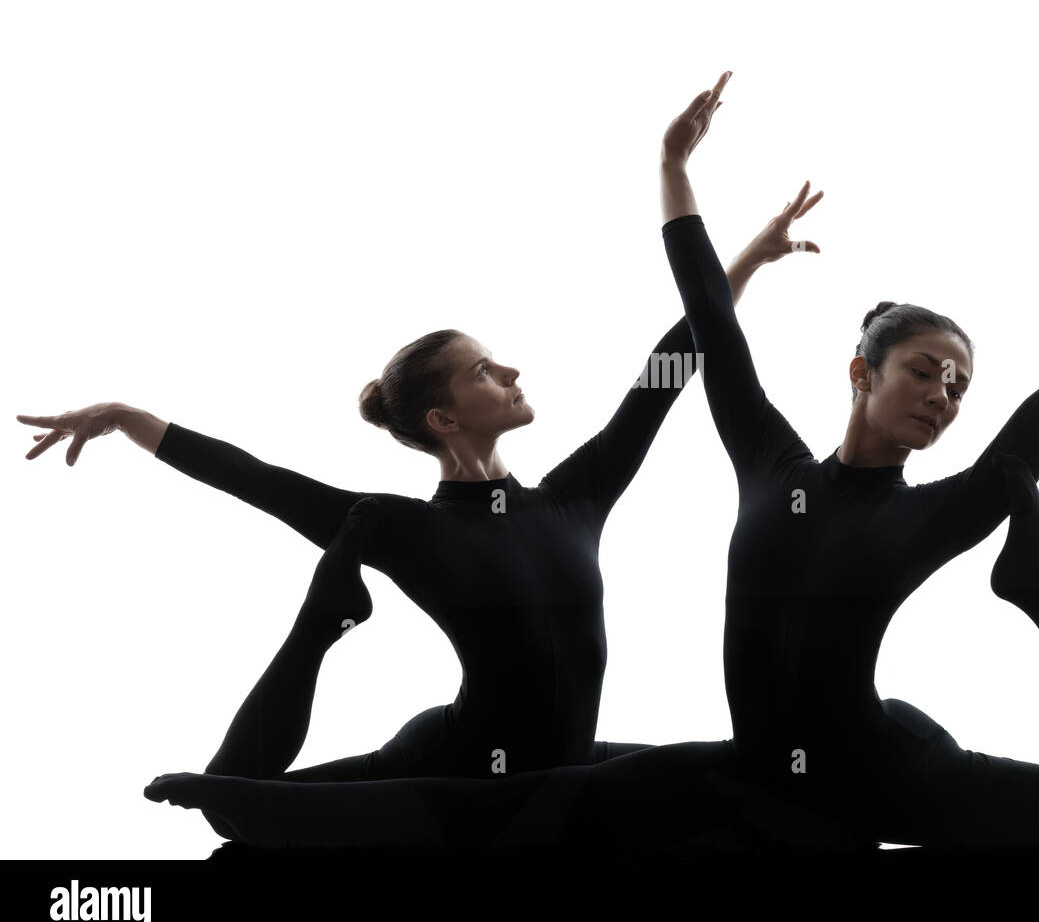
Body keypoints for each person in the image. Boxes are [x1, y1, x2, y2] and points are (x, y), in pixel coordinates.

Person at [141, 73, 1039, 850]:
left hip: (885, 774)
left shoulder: (943, 512)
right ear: (861, 372)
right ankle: (246, 804)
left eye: (960, 384)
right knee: (549, 801)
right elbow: (699, 340)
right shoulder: (768, 464)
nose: (946, 393)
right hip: (752, 766)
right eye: (927, 369)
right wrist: (674, 170)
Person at [15, 153, 815, 833]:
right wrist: (125, 417)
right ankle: (307, 659)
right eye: (484, 370)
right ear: (443, 418)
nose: (512, 371)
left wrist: (747, 259)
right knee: (234, 806)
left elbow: (664, 373)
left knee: (758, 781)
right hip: (455, 770)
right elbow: (255, 478)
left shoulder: (574, 496)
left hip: (566, 771)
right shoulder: (401, 528)